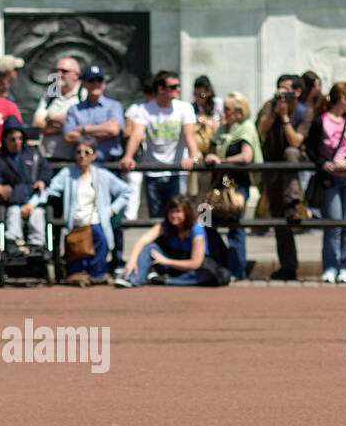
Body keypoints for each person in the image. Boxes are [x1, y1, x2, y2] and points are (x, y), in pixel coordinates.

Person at [36, 136, 131, 285]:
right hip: (76, 224)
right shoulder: (67, 174)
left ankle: (97, 276)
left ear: (94, 155)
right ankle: (77, 276)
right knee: (76, 261)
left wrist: (112, 210)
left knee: (99, 257)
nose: (82, 155)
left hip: (96, 222)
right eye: (78, 151)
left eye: (87, 152)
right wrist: (33, 203)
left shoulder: (102, 175)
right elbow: (50, 190)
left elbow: (126, 191)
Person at [119, 70, 199, 218]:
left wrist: (193, 157)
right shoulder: (145, 109)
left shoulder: (185, 108)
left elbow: (190, 136)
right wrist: (128, 156)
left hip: (177, 171)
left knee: (178, 216)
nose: (178, 89)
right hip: (153, 170)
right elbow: (136, 134)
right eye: (174, 86)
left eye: (178, 85)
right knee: (157, 218)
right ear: (161, 89)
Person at [305, 81, 346, 283]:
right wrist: (323, 163)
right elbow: (311, 148)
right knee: (333, 224)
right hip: (331, 178)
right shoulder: (321, 121)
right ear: (342, 99)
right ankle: (330, 266)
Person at [204, 91, 260, 281]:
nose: (224, 112)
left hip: (236, 184)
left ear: (239, 111)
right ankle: (221, 262)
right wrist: (210, 157)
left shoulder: (246, 128)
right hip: (217, 185)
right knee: (205, 221)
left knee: (235, 227)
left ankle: (236, 271)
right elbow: (210, 150)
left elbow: (246, 156)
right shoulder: (222, 129)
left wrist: (222, 160)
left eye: (228, 109)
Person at [257, 74, 308, 281]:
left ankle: (293, 202)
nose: (281, 94)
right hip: (274, 170)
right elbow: (260, 131)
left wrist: (286, 118)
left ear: (297, 92)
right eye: (279, 89)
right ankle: (288, 266)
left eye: (286, 90)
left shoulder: (305, 110)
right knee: (280, 220)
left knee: (291, 153)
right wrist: (275, 112)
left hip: (296, 169)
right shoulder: (271, 106)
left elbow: (296, 142)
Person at [116, 194, 214, 286]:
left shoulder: (197, 229)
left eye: (178, 212)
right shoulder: (164, 226)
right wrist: (132, 261)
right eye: (171, 212)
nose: (173, 215)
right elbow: (142, 241)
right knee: (150, 247)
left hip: (190, 269)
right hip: (170, 266)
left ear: (187, 213)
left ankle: (165, 280)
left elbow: (195, 263)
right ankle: (134, 279)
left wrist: (166, 261)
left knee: (206, 276)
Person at [0, 117, 52, 254]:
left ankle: (37, 244)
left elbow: (46, 170)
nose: (17, 142)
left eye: (20, 138)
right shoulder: (0, 160)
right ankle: (13, 243)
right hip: (14, 200)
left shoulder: (34, 154)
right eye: (13, 139)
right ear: (5, 140)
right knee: (13, 214)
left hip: (33, 199)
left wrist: (42, 180)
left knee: (38, 216)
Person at [33, 55, 85, 161]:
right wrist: (64, 125)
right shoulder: (50, 94)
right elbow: (37, 124)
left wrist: (50, 119)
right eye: (57, 71)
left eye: (64, 71)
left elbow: (82, 124)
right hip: (47, 157)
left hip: (73, 158)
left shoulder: (83, 95)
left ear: (76, 75)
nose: (58, 74)